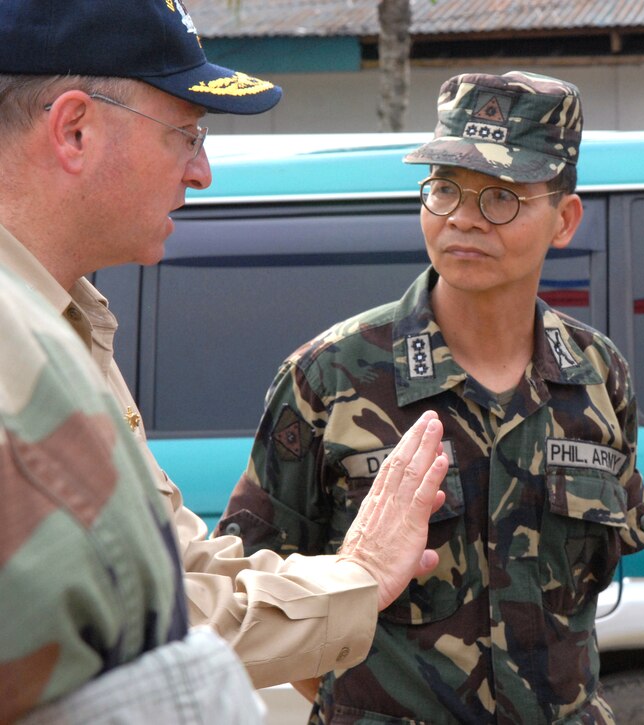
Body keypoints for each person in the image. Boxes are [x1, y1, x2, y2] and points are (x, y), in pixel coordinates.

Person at [0, 0, 450, 692]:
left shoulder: (61, 319)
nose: (202, 171)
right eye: (186, 134)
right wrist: (356, 577)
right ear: (75, 130)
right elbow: (137, 622)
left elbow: (170, 572)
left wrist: (355, 576)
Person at [216, 70, 644, 722]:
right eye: (445, 188)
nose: (463, 219)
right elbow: (253, 585)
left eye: (501, 197)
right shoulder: (330, 377)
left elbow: (590, 586)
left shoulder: (598, 375)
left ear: (564, 219)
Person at [0, 264, 262, 723]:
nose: (200, 186)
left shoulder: (76, 317)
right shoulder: (25, 331)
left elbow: (174, 569)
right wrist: (359, 581)